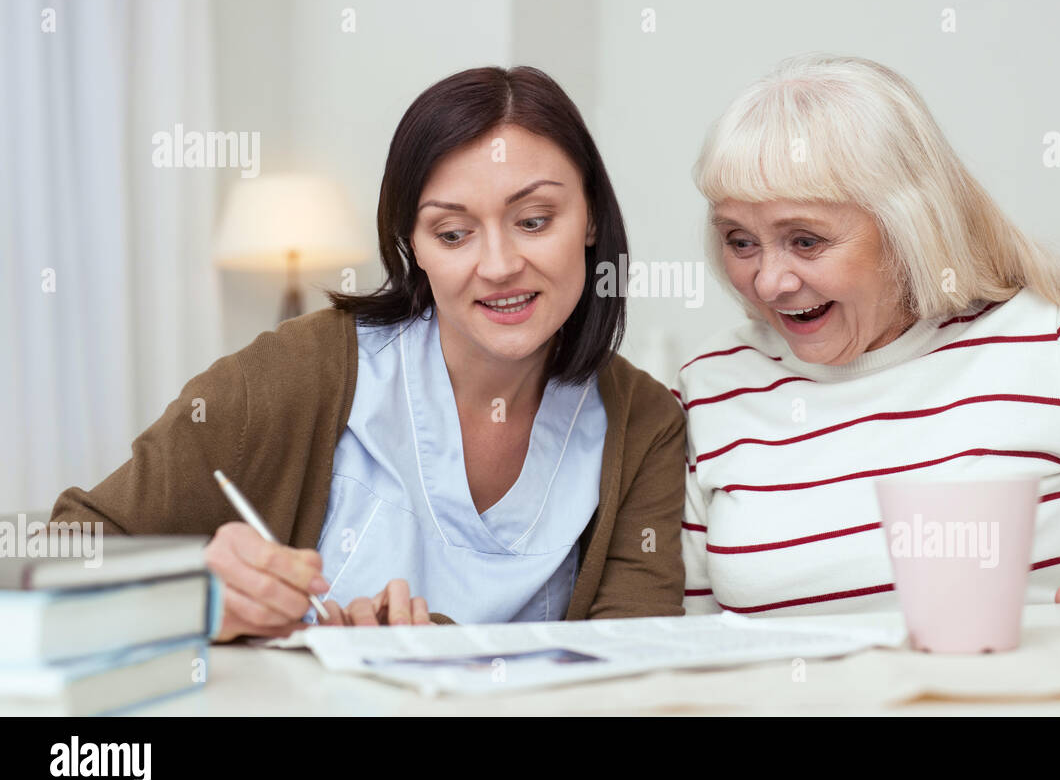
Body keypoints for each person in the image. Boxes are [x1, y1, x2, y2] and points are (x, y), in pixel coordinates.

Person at [51, 66, 685, 640]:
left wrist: (433, 642)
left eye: (535, 220)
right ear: (412, 244)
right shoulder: (297, 374)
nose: (498, 265)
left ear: (592, 219)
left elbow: (634, 665)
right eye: (454, 233)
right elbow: (62, 548)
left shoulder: (644, 424)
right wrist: (192, 594)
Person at [677, 53, 1060, 617]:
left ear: (908, 228)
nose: (770, 282)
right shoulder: (709, 388)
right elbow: (687, 645)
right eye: (740, 241)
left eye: (805, 241)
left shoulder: (1057, 347)